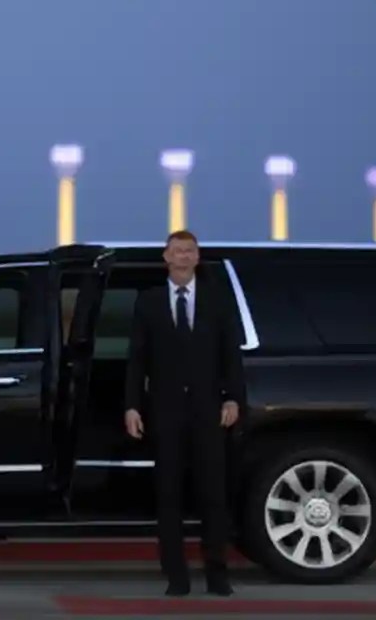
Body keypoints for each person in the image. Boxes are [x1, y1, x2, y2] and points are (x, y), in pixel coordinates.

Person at [123, 229, 244, 596]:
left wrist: (232, 399)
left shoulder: (217, 300)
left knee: (213, 495)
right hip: (165, 413)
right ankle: (176, 578)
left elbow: (231, 357)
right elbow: (137, 359)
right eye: (177, 251)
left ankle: (217, 576)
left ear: (197, 257)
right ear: (166, 256)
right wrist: (131, 405)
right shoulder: (149, 301)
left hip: (209, 412)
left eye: (189, 251)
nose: (183, 256)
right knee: (169, 496)